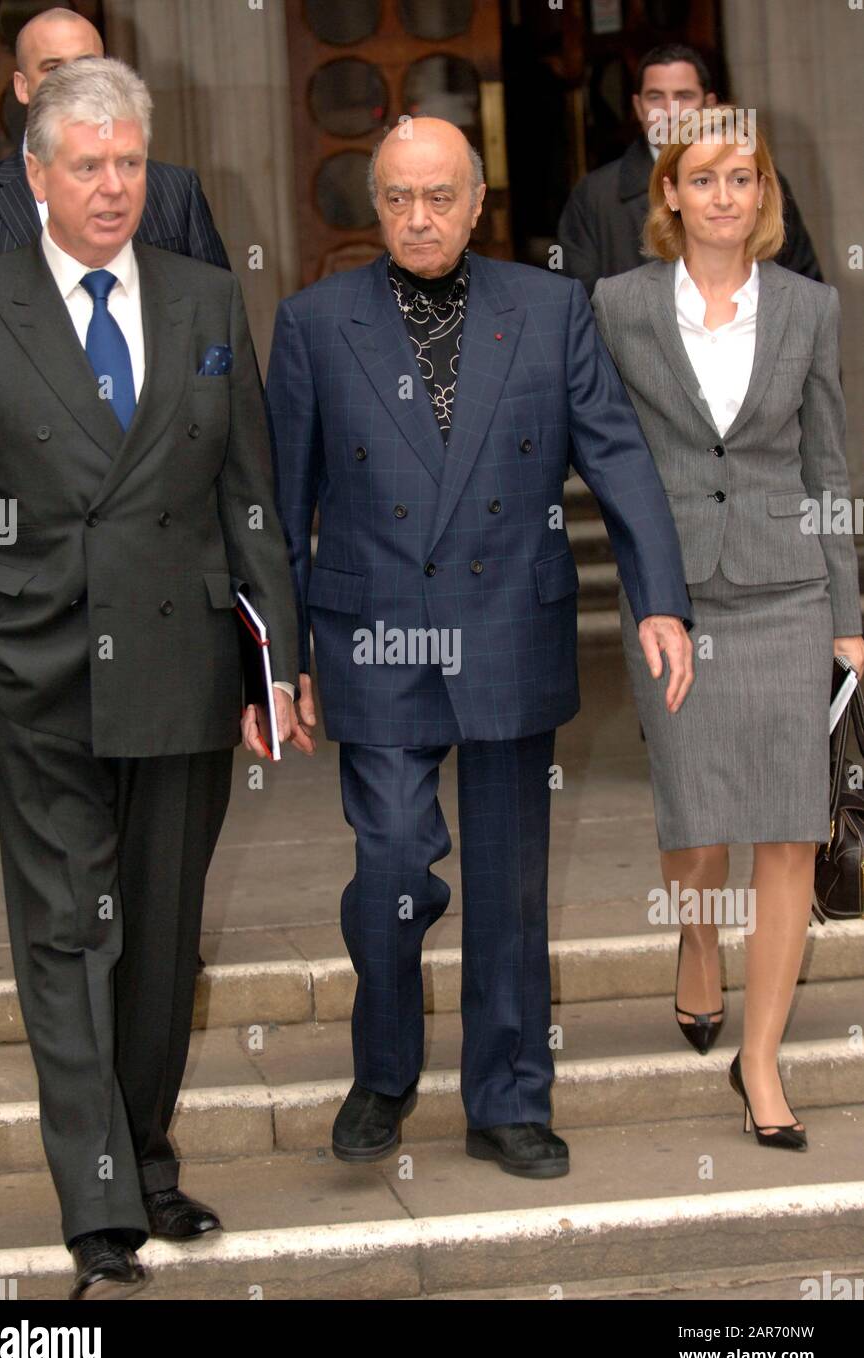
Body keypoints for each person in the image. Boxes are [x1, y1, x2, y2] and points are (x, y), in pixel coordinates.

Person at [266, 116, 694, 1181]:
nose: (419, 217)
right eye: (399, 198)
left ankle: (505, 1098)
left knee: (506, 884)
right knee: (395, 865)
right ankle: (383, 1068)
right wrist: (282, 656)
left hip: (508, 617)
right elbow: (278, 504)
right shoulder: (315, 323)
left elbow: (615, 453)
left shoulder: (548, 310)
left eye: (439, 196)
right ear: (377, 207)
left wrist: (658, 597)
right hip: (373, 633)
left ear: (475, 202)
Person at [0, 57, 305, 1298]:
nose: (112, 187)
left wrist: (278, 665)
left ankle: (146, 1156)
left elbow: (249, 495)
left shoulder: (206, 297)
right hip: (39, 664)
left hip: (182, 657)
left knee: (156, 938)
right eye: (86, 165)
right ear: (36, 175)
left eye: (129, 164)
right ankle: (97, 1196)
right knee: (66, 931)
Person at [591, 109, 863, 1149]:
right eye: (701, 177)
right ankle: (694, 941)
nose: (722, 195)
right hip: (673, 600)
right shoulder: (615, 307)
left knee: (789, 827)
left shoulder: (804, 307)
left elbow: (825, 467)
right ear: (666, 191)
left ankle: (759, 1059)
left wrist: (844, 615)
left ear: (761, 195)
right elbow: (604, 445)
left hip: (785, 587)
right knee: (697, 821)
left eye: (740, 178)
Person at [0, 6, 229, 732]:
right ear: (19, 87)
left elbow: (220, 370)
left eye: (90, 61)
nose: (77, 80)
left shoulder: (168, 191)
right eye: (53, 68)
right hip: (33, 578)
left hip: (157, 562)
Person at [559, 44, 822, 295]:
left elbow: (804, 292)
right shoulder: (594, 195)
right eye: (655, 97)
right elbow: (578, 306)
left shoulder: (759, 181)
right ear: (638, 107)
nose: (670, 111)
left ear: (708, 104)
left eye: (684, 96)